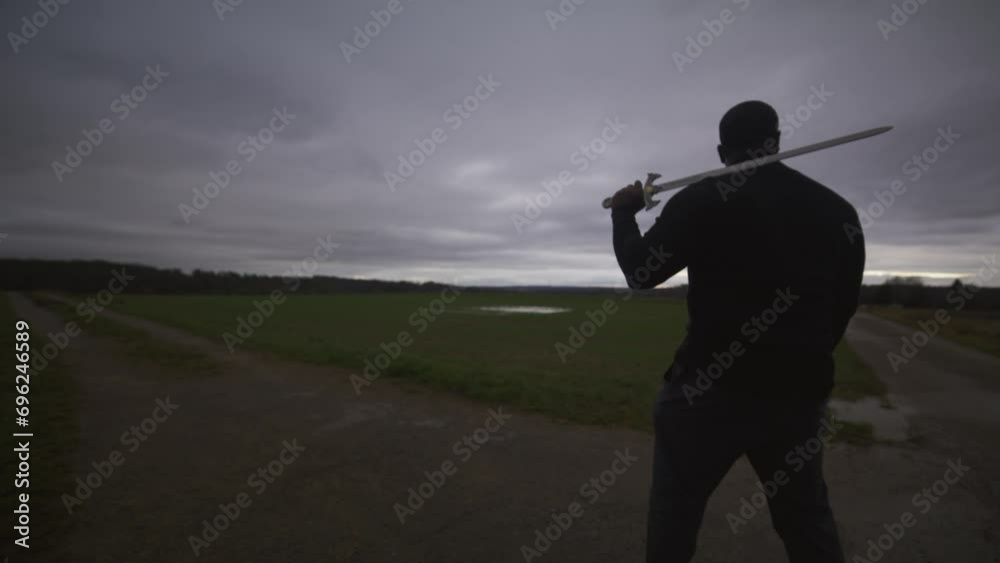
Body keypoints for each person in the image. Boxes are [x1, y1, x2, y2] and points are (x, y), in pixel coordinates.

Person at [608, 100, 865, 563]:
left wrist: (625, 214)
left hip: (704, 392)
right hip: (796, 395)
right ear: (778, 141)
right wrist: (801, 358)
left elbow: (642, 272)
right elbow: (843, 307)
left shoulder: (703, 199)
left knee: (675, 517)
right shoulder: (838, 212)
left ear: (722, 150)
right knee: (805, 520)